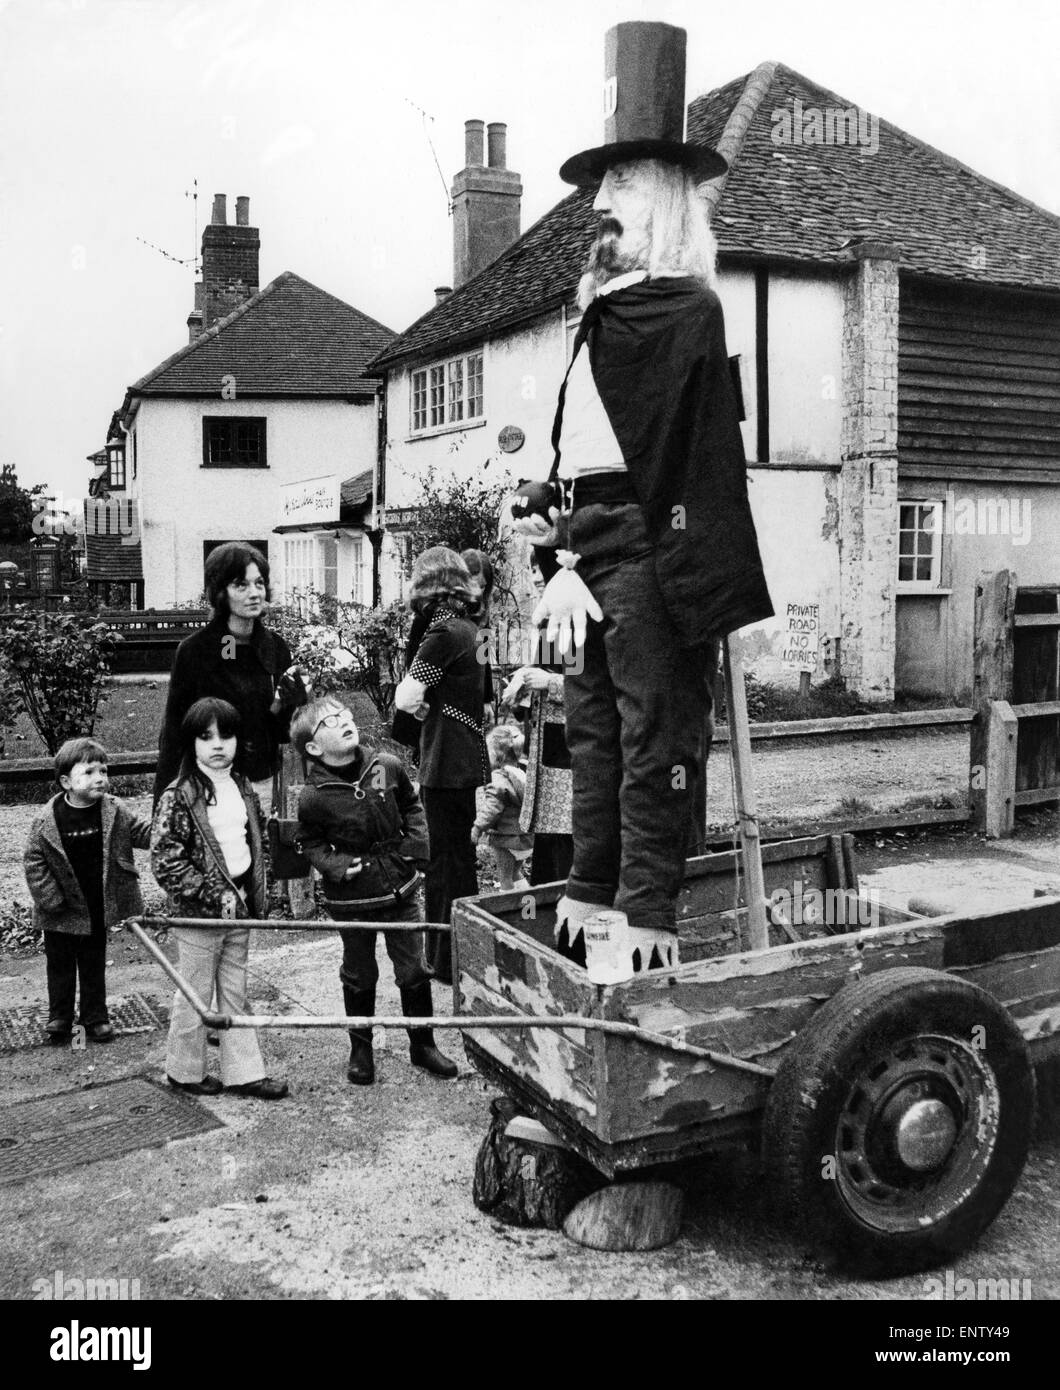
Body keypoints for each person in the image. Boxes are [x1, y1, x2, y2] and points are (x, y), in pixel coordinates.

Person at [511, 22, 773, 984]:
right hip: (584, 552)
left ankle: (646, 925)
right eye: (600, 188)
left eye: (622, 187)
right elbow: (583, 442)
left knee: (655, 735)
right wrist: (546, 520)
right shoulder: (598, 314)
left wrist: (698, 586)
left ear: (662, 197)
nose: (602, 206)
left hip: (652, 553)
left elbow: (705, 463)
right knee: (591, 735)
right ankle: (588, 902)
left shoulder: (687, 312)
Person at [291, 695, 457, 1085]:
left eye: (344, 714)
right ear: (314, 747)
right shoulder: (315, 797)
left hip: (399, 889)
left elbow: (411, 805)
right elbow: (308, 842)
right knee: (359, 971)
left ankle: (423, 1043)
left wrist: (415, 851)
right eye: (330, 721)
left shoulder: (384, 767)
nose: (345, 719)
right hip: (353, 899)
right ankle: (360, 1048)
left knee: (413, 967)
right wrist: (333, 865)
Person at [152, 697, 288, 1099]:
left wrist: (258, 889)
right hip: (199, 915)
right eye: (206, 736)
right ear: (190, 742)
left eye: (226, 735)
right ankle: (183, 1070)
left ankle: (244, 1072)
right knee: (194, 993)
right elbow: (165, 861)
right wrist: (212, 893)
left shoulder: (242, 786)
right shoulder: (179, 795)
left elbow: (256, 840)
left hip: (240, 905)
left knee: (235, 992)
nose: (217, 744)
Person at [152, 543, 307, 814]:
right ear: (221, 592)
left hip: (263, 782)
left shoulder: (275, 648)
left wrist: (290, 704)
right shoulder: (196, 651)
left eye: (259, 583)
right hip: (211, 784)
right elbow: (175, 730)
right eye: (241, 585)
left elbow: (281, 731)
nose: (254, 593)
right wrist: (163, 807)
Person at [393, 547, 488, 985]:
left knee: (442, 863)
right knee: (461, 862)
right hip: (468, 754)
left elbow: (406, 696)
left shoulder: (443, 634)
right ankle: (464, 955)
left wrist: (417, 705)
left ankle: (445, 960)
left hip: (444, 760)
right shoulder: (473, 630)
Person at [24, 738, 151, 1045]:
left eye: (103, 770)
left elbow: (140, 832)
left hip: (97, 902)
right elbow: (33, 859)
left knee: (93, 962)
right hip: (61, 909)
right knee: (60, 964)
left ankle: (95, 1016)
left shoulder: (113, 810)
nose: (100, 778)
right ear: (66, 781)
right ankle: (60, 1016)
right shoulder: (47, 819)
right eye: (90, 771)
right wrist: (50, 898)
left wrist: (166, 828)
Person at [502, 549, 574, 887]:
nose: (537, 575)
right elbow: (541, 674)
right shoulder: (549, 622)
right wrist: (520, 689)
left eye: (543, 567)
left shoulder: (578, 620)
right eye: (532, 568)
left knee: (568, 845)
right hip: (546, 753)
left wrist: (548, 683)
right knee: (549, 843)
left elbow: (597, 689)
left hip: (572, 752)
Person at [471, 724, 534, 891]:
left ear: (494, 753)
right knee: (515, 873)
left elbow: (493, 805)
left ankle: (508, 912)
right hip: (526, 839)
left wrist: (478, 827)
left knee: (505, 878)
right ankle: (529, 913)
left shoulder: (499, 777)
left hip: (507, 838)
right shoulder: (521, 771)